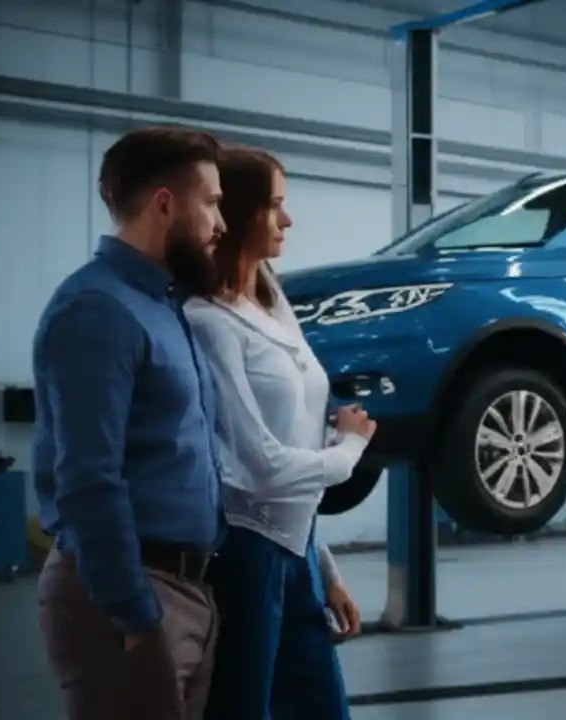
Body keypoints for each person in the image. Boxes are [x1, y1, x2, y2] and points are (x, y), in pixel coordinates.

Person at [33, 126, 228, 720]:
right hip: (129, 592)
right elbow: (90, 477)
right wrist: (132, 610)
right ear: (165, 204)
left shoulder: (162, 306)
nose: (221, 224)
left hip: (185, 589)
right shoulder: (99, 310)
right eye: (213, 203)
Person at [183, 145, 376, 720]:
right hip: (246, 556)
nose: (286, 220)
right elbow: (262, 467)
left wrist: (325, 571)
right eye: (274, 205)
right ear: (239, 213)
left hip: (296, 554)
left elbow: (294, 445)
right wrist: (351, 450)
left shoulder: (270, 305)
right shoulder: (208, 323)